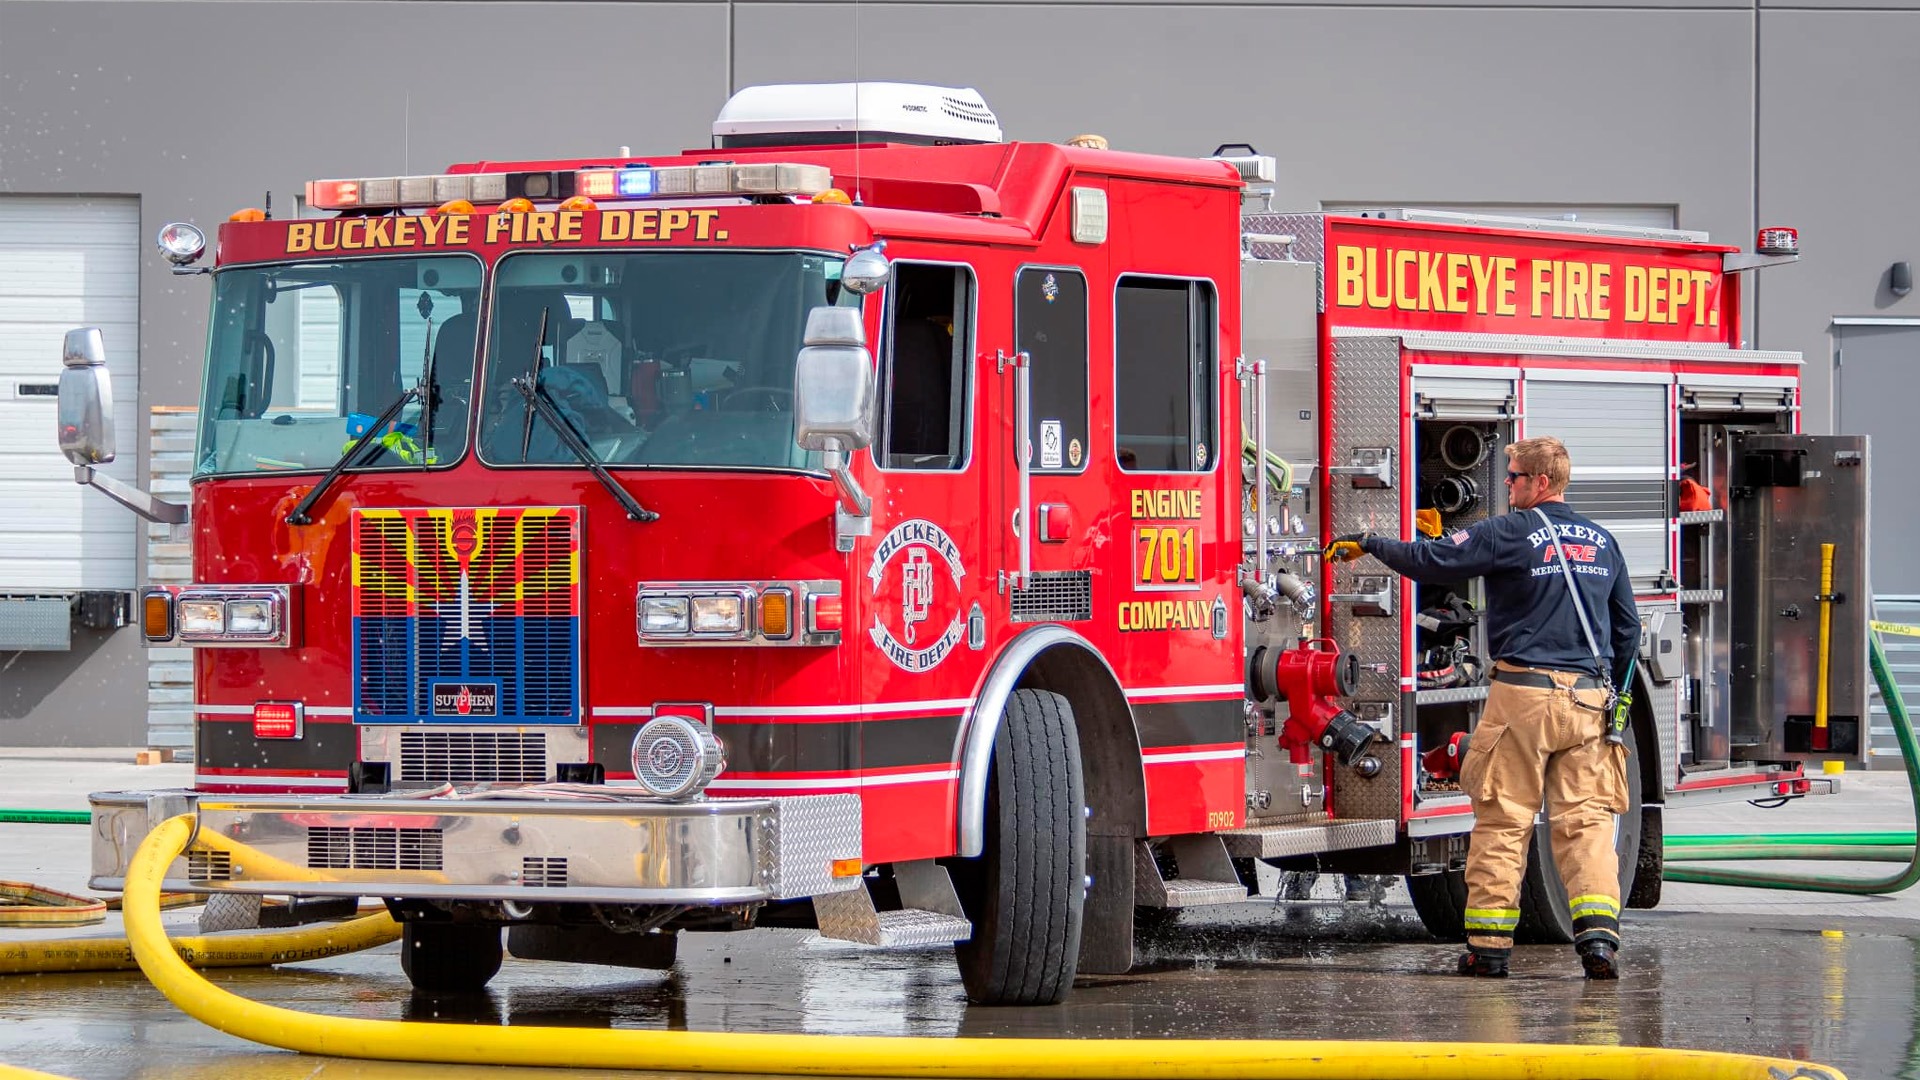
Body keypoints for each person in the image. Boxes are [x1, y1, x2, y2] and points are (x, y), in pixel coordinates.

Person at [1325, 436, 1638, 980]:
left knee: (1504, 821)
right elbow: (1627, 628)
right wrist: (1619, 698)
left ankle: (1489, 950)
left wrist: (1371, 543)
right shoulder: (1603, 541)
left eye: (1514, 476)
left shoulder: (1509, 532)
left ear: (1541, 482)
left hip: (1523, 698)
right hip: (1589, 701)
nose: (1508, 484)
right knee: (1587, 822)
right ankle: (1598, 942)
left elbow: (1432, 560)